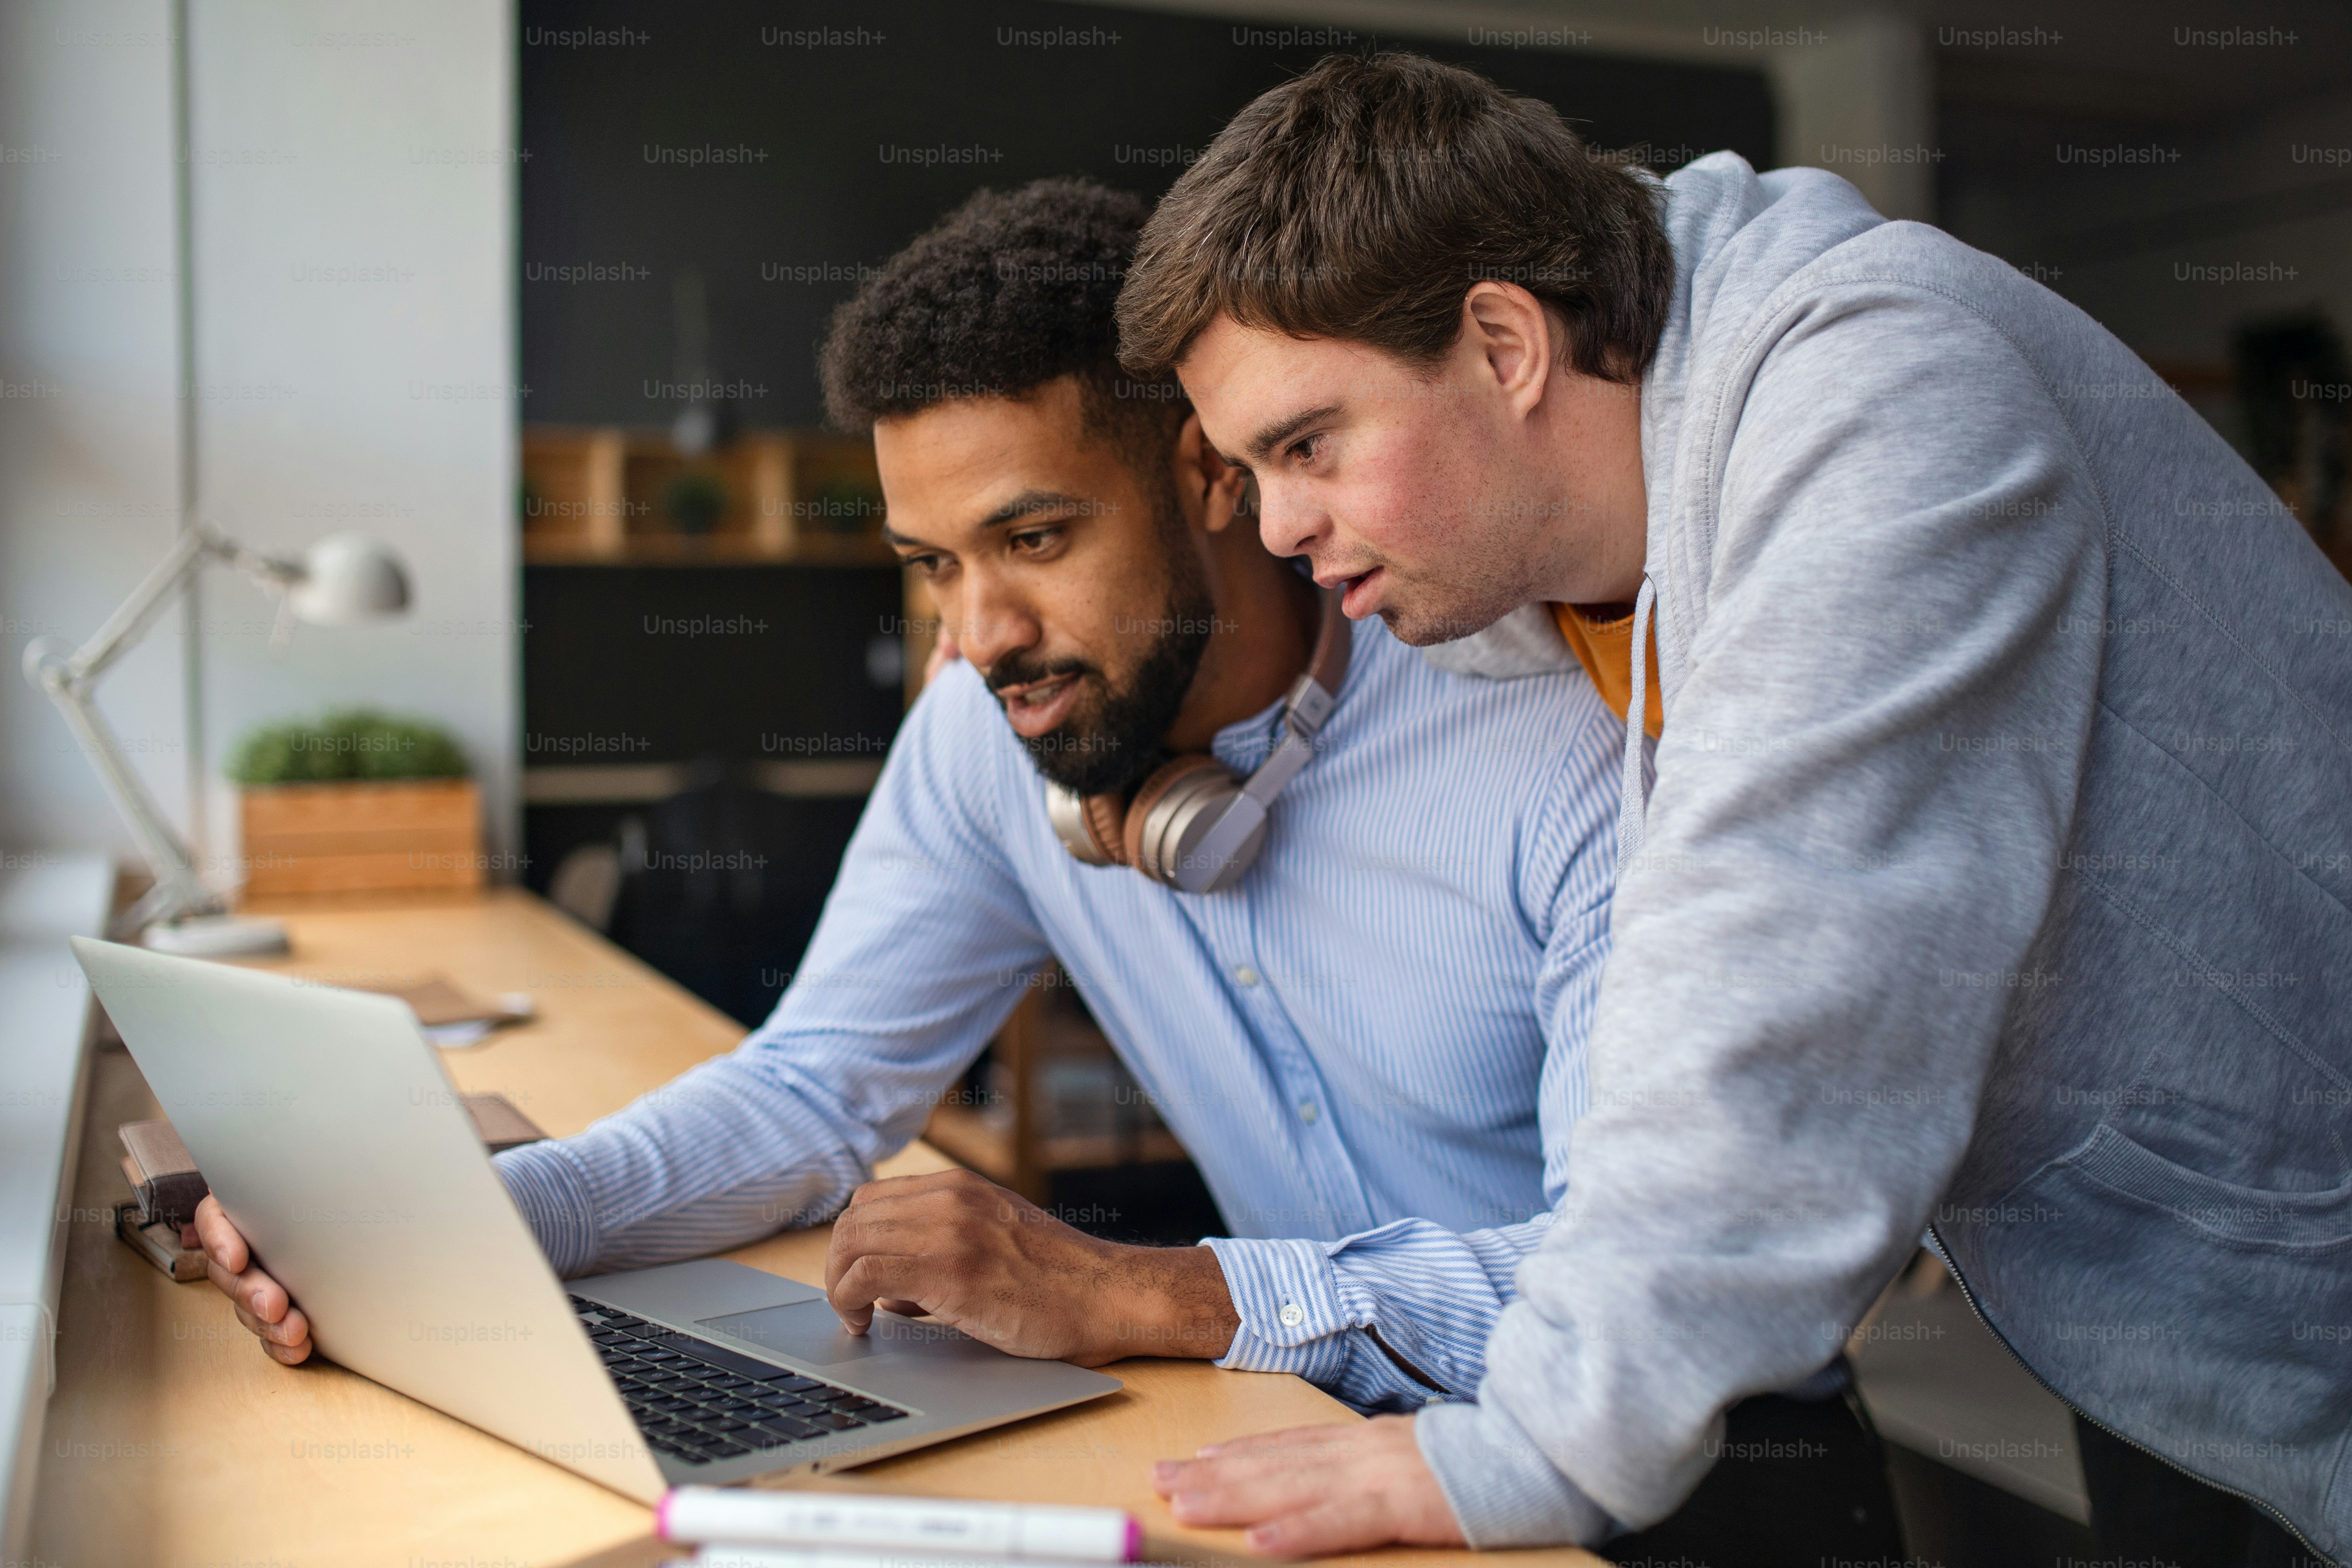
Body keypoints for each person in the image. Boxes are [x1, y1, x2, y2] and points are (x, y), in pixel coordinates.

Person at [195, 176, 1649, 1464]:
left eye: (1032, 540)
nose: (979, 638)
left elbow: (1634, 1289)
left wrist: (1138, 1288)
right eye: (931, 564)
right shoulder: (985, 726)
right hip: (1296, 1424)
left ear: (1215, 468)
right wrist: (484, 1213)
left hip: (1648, 1462)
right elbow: (816, 1089)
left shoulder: (1563, 741)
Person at [1119, 51, 2352, 1565]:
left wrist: (1538, 1444)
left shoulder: (1887, 389)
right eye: (1251, 469)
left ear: (1504, 342)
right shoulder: (1572, 519)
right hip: (2146, 1289)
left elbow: (1777, 941)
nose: (1284, 521)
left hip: (2304, 1251)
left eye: (1308, 444)